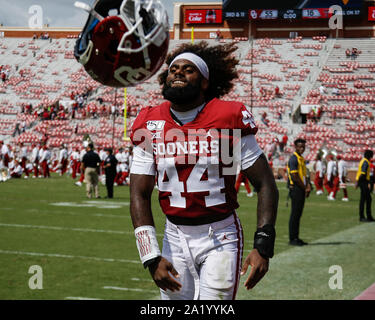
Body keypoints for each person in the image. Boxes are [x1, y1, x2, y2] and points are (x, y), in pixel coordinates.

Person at [129, 41, 278, 300]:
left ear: (205, 82)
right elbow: (139, 194)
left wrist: (263, 245)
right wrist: (151, 255)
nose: (178, 73)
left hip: (220, 235)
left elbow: (265, 184)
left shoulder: (227, 117)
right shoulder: (150, 121)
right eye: (174, 69)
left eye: (188, 70)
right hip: (173, 235)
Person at [287, 138, 311, 246]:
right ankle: (292, 238)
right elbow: (295, 176)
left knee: (298, 214)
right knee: (295, 214)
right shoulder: (294, 159)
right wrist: (305, 187)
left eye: (303, 147)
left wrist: (308, 185)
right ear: (295, 147)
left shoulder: (301, 159)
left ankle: (296, 237)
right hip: (296, 189)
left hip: (300, 188)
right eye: (300, 146)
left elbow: (304, 175)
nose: (302, 148)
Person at [355, 150, 374, 222]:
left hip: (362, 181)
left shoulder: (364, 161)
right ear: (370, 156)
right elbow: (363, 173)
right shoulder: (366, 162)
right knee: (364, 199)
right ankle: (362, 216)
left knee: (367, 199)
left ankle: (368, 216)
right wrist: (358, 182)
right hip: (363, 181)